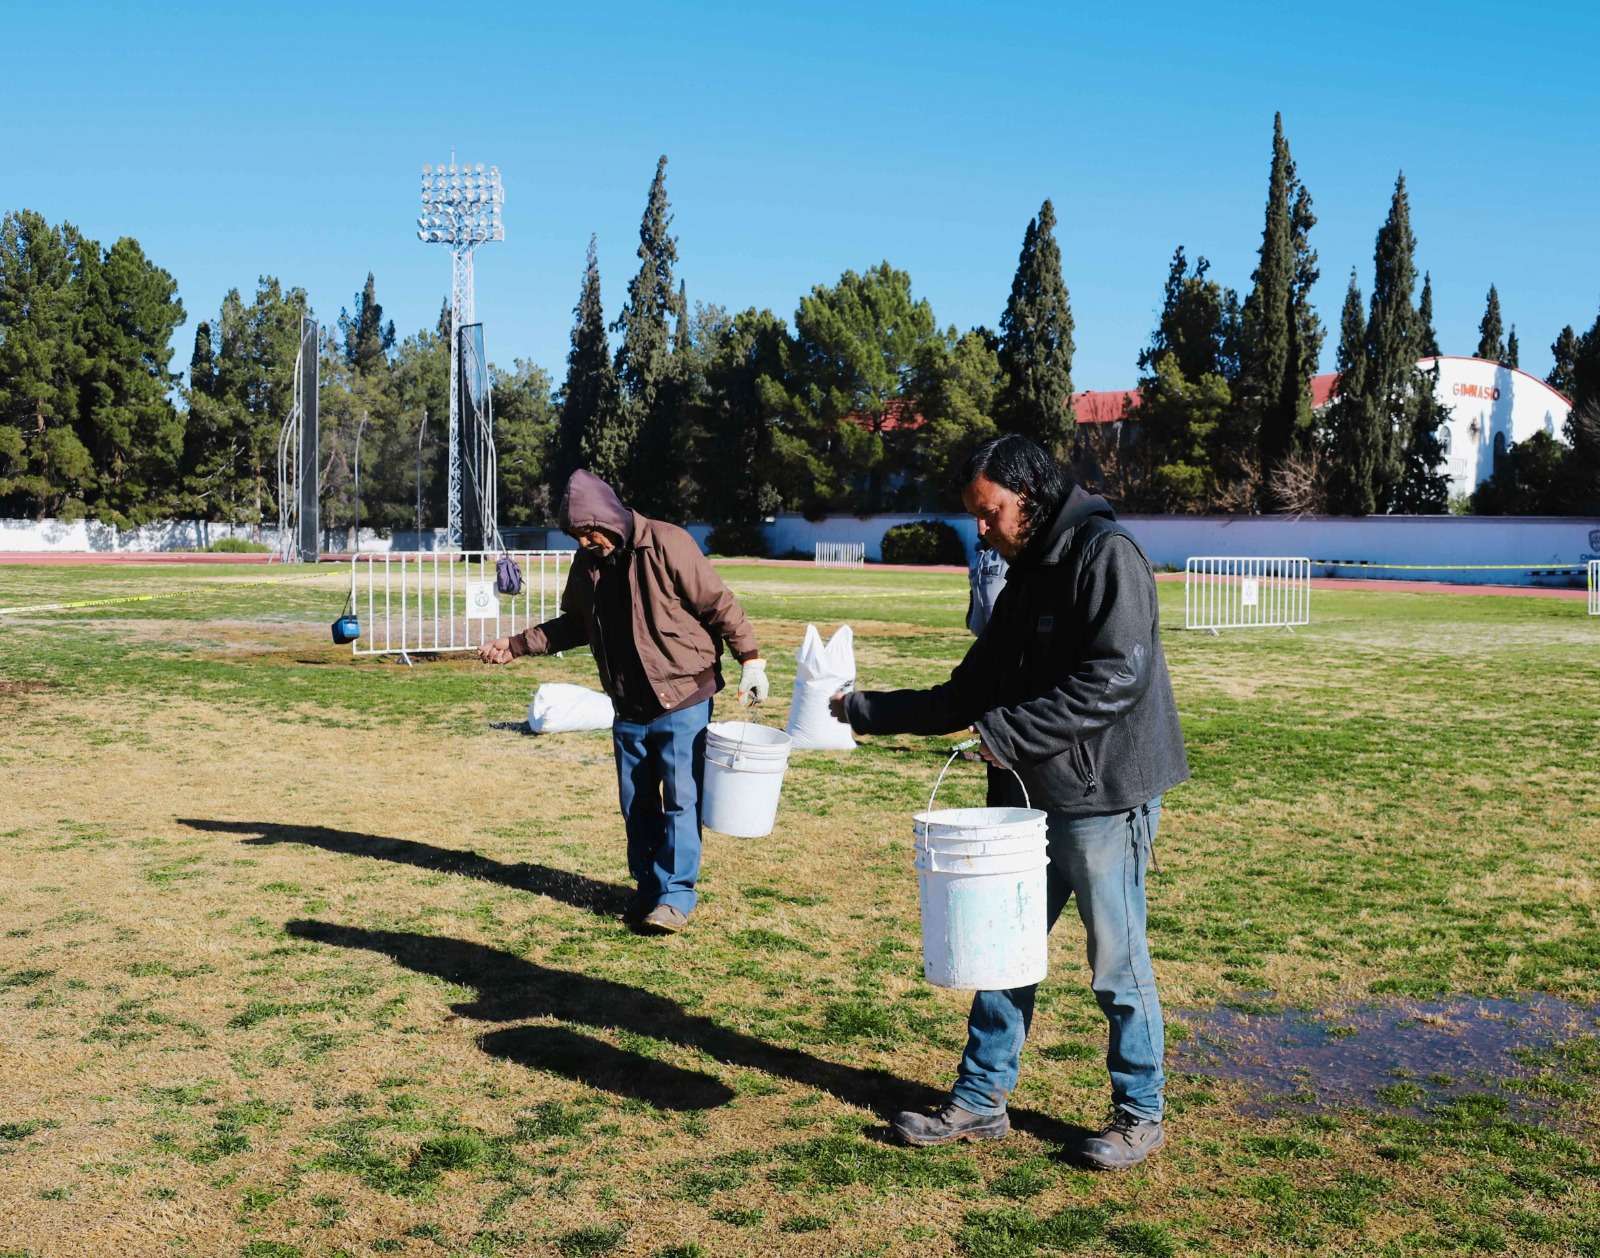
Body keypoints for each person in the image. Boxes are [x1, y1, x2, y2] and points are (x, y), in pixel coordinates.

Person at [829, 434, 1187, 1170]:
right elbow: (969, 690)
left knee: (1117, 964)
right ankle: (981, 1099)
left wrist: (1009, 733)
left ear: (1031, 496)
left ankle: (1140, 1113)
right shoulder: (1023, 576)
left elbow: (1116, 677)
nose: (981, 529)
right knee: (1002, 949)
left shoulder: (1106, 554)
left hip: (1101, 797)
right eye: (976, 515)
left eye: (989, 512)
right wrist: (867, 710)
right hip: (1026, 803)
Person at [480, 469, 768, 935]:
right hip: (628, 702)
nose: (584, 542)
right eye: (576, 536)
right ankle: (649, 889)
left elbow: (718, 603)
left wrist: (750, 660)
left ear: (608, 517)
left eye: (589, 531)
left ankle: (675, 897)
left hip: (683, 694)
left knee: (681, 798)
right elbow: (575, 624)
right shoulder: (588, 562)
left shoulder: (668, 543)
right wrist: (515, 645)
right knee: (636, 803)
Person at [966, 535, 1008, 637]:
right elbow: (974, 589)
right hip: (982, 633)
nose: (982, 526)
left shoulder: (1007, 552)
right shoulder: (978, 553)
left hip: (1004, 631)